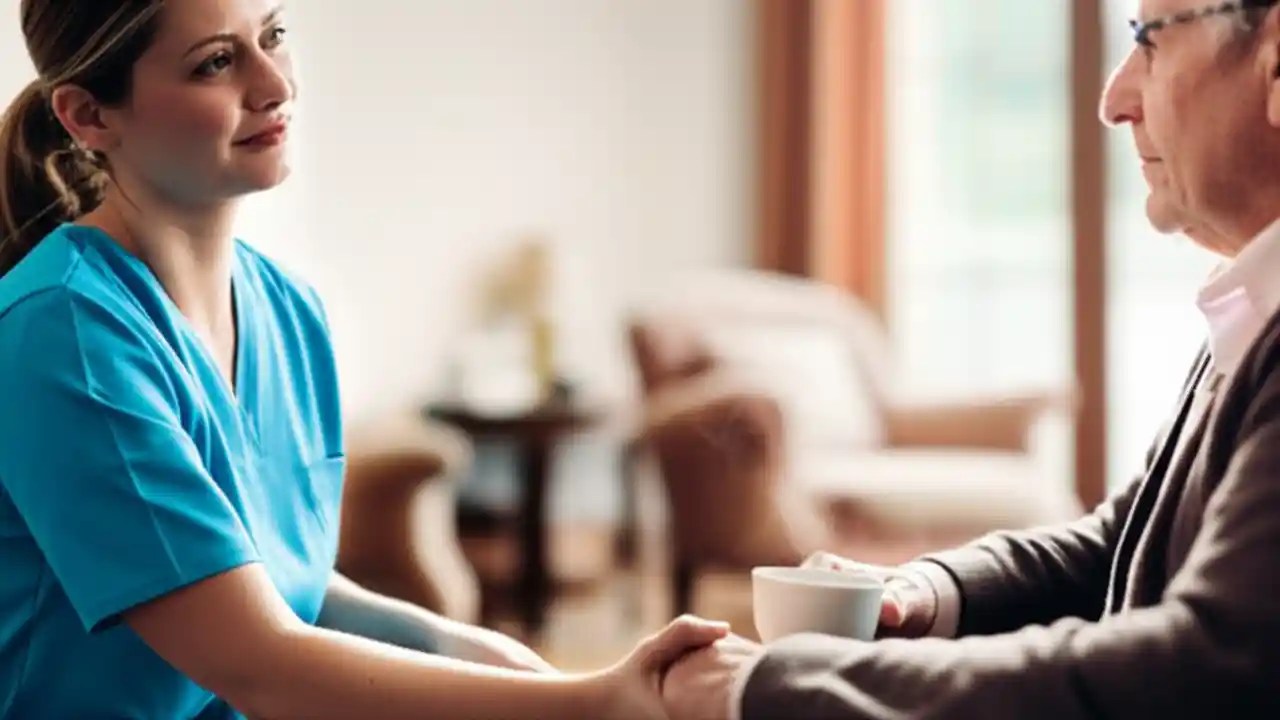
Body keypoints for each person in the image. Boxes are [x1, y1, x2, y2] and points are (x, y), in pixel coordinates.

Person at [0, 1, 728, 718]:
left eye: (273, 36)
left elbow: (289, 590)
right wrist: (588, 703)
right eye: (216, 62)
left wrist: (519, 670)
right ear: (89, 117)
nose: (274, 84)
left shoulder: (289, 311)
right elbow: (259, 663)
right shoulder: (61, 335)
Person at [660, 0, 1280, 718]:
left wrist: (766, 687)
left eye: (1150, 42)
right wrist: (918, 595)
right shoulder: (1252, 306)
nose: (1115, 100)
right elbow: (1127, 542)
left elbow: (1203, 671)